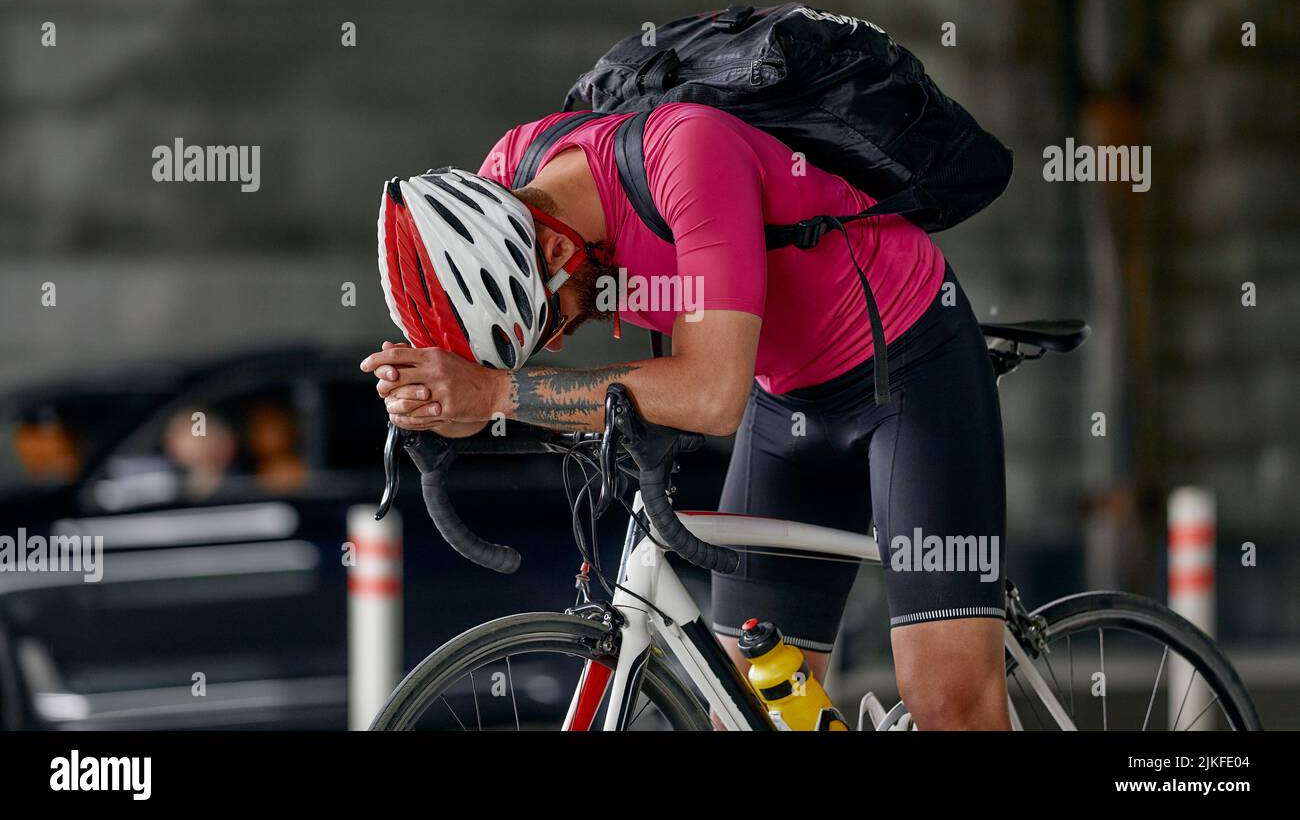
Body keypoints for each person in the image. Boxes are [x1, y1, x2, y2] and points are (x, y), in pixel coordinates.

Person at [362, 102, 1009, 730]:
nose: (556, 342)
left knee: (946, 699)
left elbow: (710, 397)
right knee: (747, 708)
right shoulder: (506, 185)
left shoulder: (691, 155)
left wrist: (501, 394)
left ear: (555, 253)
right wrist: (437, 395)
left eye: (550, 321)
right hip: (787, 395)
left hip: (909, 365)